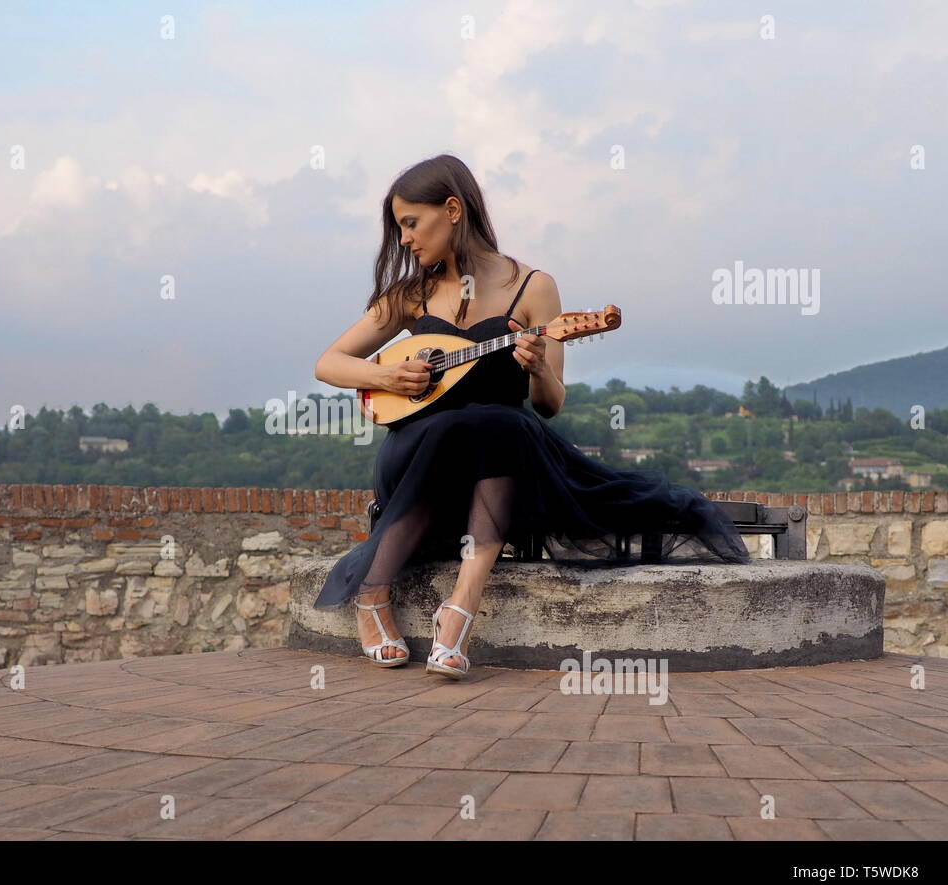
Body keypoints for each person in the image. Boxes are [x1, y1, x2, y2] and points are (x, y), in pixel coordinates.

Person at [312, 154, 750, 679]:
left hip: (500, 464)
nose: (404, 240)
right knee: (468, 427)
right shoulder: (413, 295)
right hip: (417, 462)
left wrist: (539, 368)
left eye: (410, 223)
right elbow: (328, 363)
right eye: (399, 228)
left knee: (503, 422)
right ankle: (373, 595)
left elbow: (550, 404)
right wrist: (386, 378)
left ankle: (461, 609)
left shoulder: (534, 288)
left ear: (452, 210)